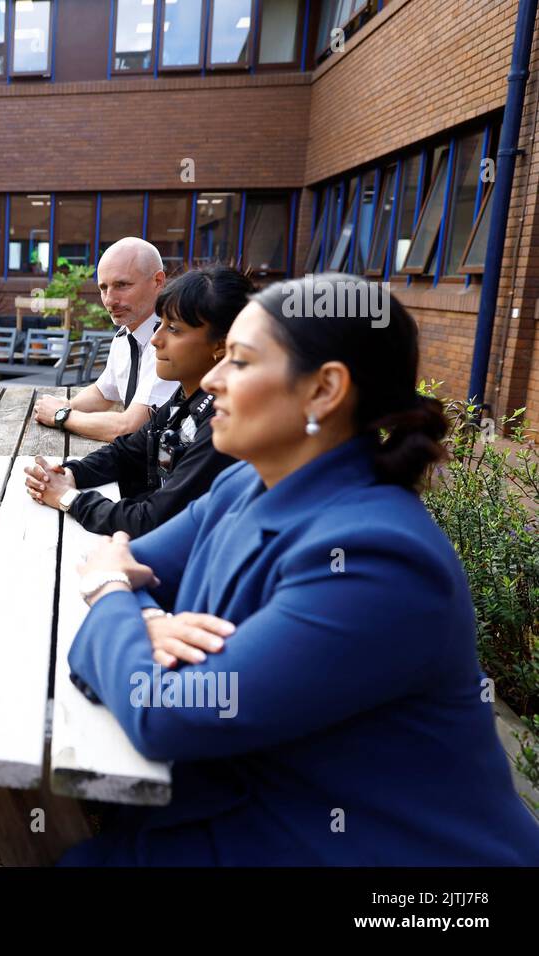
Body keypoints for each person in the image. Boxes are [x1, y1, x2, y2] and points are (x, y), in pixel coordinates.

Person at [62, 273, 539, 866]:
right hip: (245, 821)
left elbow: (165, 710)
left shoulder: (379, 561)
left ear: (323, 391)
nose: (211, 380)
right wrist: (142, 618)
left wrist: (114, 600)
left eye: (238, 361)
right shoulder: (245, 483)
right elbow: (113, 590)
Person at [23, 265, 250, 536]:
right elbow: (128, 451)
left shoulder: (222, 421)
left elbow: (152, 520)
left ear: (220, 346)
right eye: (160, 325)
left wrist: (69, 498)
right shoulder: (187, 398)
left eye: (174, 329)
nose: (155, 339)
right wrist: (71, 473)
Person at [33, 238, 179, 442]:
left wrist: (61, 416)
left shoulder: (173, 342)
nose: (110, 300)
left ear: (158, 281)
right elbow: (103, 393)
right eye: (103, 288)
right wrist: (64, 406)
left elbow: (130, 428)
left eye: (122, 285)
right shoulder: (124, 336)